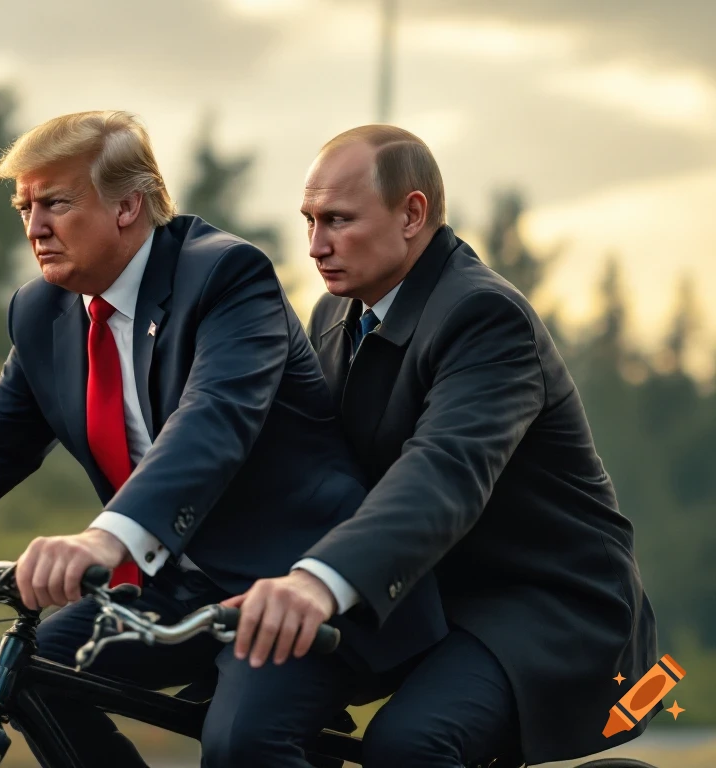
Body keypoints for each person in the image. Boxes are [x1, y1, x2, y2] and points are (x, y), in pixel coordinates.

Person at [0, 111, 446, 768]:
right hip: (180, 586)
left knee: (241, 746)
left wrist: (102, 538)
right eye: (25, 207)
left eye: (56, 203)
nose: (35, 227)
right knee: (34, 674)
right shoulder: (42, 310)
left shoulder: (226, 276)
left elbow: (215, 418)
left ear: (127, 207)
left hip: (296, 583)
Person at [226, 125, 658, 767]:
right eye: (309, 220)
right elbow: (305, 466)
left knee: (409, 748)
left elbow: (443, 472)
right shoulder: (333, 314)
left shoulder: (484, 317)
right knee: (239, 729)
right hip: (414, 590)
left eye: (339, 220)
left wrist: (319, 583)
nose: (315, 245)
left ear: (412, 214)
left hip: (540, 600)